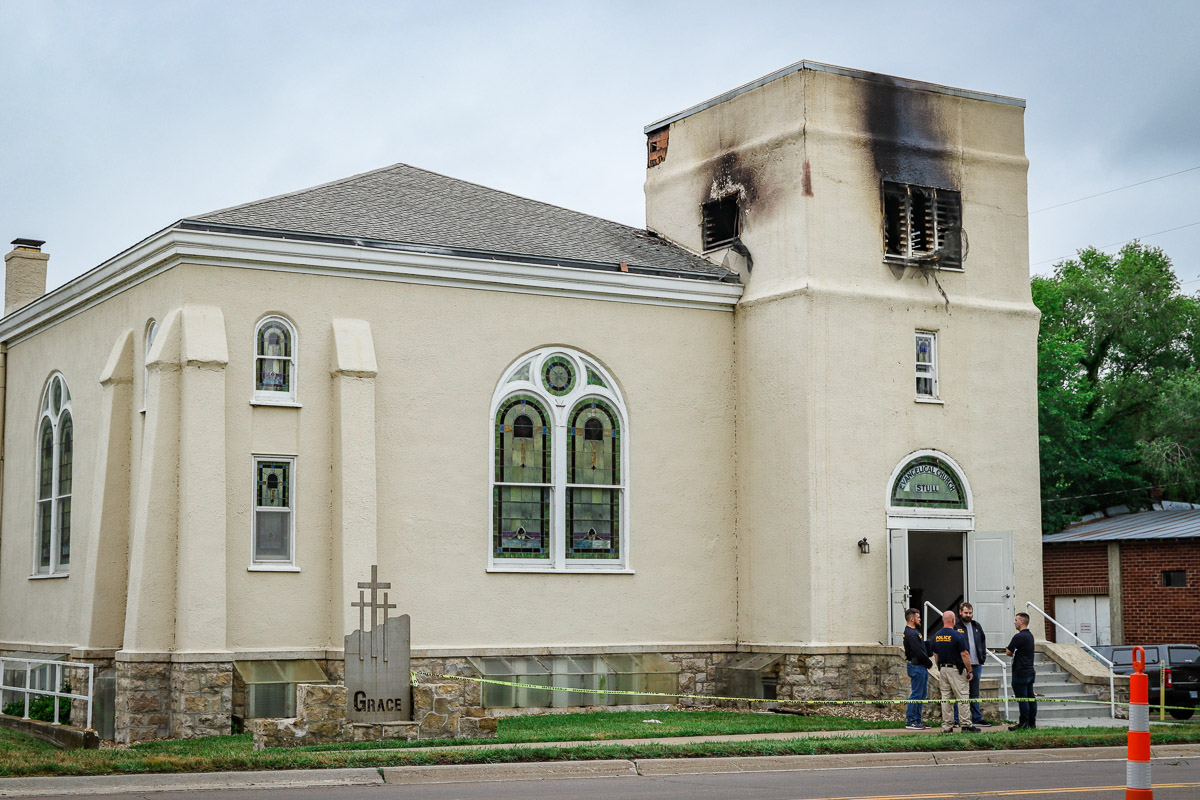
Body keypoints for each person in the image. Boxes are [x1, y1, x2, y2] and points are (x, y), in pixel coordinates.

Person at [931, 610, 978, 733]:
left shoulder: (937, 635)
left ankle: (947, 726)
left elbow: (935, 655)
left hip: (943, 669)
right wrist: (970, 670)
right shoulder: (957, 635)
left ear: (943, 620)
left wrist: (939, 667)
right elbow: (965, 654)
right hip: (956, 670)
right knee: (962, 696)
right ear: (953, 620)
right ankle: (966, 725)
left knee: (946, 698)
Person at [954, 602, 992, 727]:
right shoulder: (956, 626)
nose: (968, 615)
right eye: (966, 613)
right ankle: (957, 719)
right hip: (961, 665)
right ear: (960, 612)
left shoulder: (976, 626)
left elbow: (982, 642)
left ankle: (977, 718)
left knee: (974, 693)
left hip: (976, 664)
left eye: (970, 613)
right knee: (960, 693)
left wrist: (982, 658)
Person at [903, 608, 933, 730]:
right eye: (918, 617)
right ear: (912, 619)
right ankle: (911, 720)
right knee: (916, 693)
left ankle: (918, 719)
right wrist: (928, 662)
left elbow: (922, 648)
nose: (920, 619)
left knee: (922, 693)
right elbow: (917, 652)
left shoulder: (915, 632)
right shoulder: (910, 633)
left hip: (921, 666)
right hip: (916, 666)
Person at [1006, 612, 1037, 730]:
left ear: (1021, 622)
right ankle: (1032, 723)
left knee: (1022, 700)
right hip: (1030, 671)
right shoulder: (1030, 635)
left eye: (1016, 620)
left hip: (1020, 673)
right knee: (1030, 698)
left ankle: (1023, 724)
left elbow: (1008, 652)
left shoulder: (1018, 636)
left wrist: (1014, 652)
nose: (1014, 622)